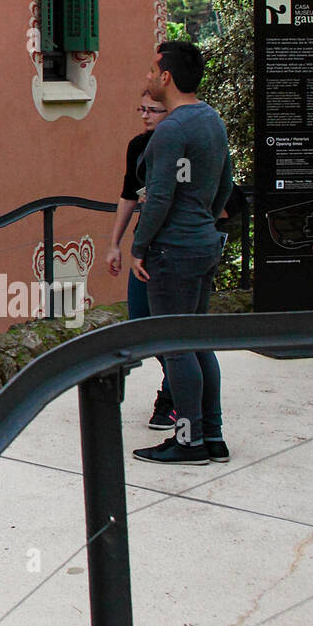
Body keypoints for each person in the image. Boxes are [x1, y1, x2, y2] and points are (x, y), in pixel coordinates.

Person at [129, 41, 235, 466]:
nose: (148, 79)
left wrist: (139, 247)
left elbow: (158, 198)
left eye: (152, 71)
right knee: (198, 340)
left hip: (173, 251)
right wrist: (203, 221)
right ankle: (213, 435)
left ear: (166, 77)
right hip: (204, 244)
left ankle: (188, 442)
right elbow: (226, 183)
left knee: (175, 347)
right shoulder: (212, 120)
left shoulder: (172, 129)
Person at [106, 90, 174, 429]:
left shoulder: (182, 143)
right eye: (142, 109)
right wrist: (115, 242)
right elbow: (128, 194)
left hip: (175, 247)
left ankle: (174, 394)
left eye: (154, 110)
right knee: (141, 318)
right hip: (144, 247)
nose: (146, 116)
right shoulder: (138, 146)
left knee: (174, 324)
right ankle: (177, 383)